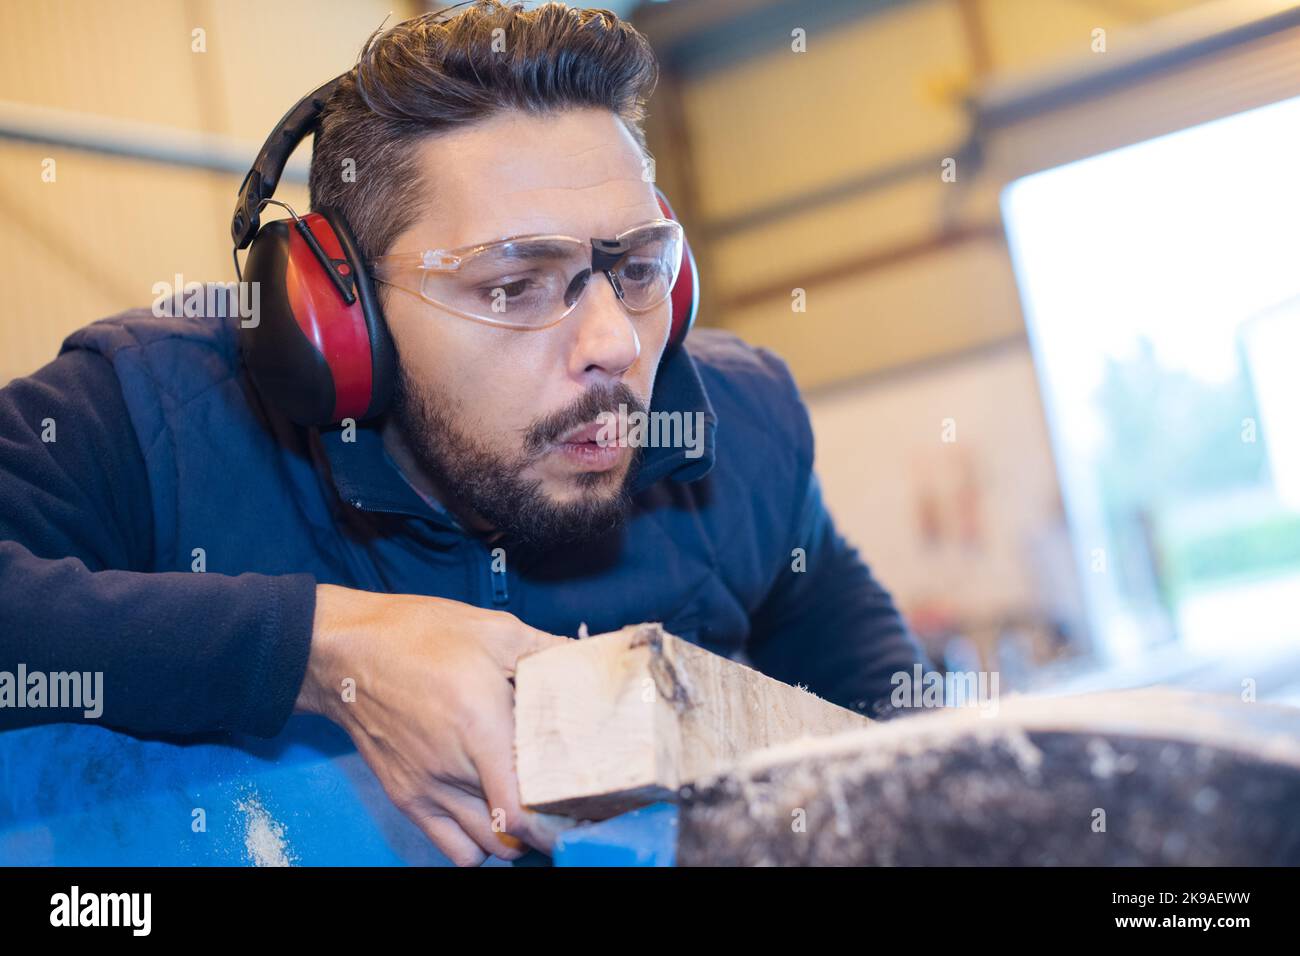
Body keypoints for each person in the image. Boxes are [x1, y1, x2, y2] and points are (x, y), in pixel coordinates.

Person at [0, 0, 925, 865]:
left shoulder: (746, 432)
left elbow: (900, 735)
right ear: (337, 318)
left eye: (637, 269)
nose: (612, 342)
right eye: (515, 286)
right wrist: (319, 646)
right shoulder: (159, 422)